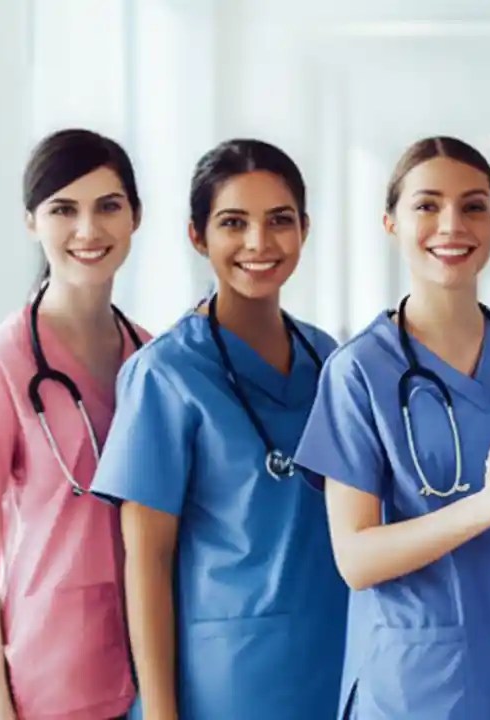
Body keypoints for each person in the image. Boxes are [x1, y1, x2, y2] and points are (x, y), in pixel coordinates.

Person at [293, 136, 490, 720]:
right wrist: (489, 504)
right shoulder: (360, 371)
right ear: (391, 223)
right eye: (427, 205)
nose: (452, 225)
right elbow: (355, 558)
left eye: (473, 206)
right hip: (415, 684)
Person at [90, 139, 348, 719]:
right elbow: (147, 561)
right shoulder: (166, 373)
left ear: (304, 229)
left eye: (279, 220)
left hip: (332, 658)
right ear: (198, 236)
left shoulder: (327, 358)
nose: (259, 242)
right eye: (233, 222)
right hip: (225, 680)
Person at [0, 129, 148, 720]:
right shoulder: (2, 361)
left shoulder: (150, 357)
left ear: (135, 216)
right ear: (32, 222)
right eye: (63, 210)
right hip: (50, 678)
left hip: (150, 664)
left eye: (108, 206)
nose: (88, 229)